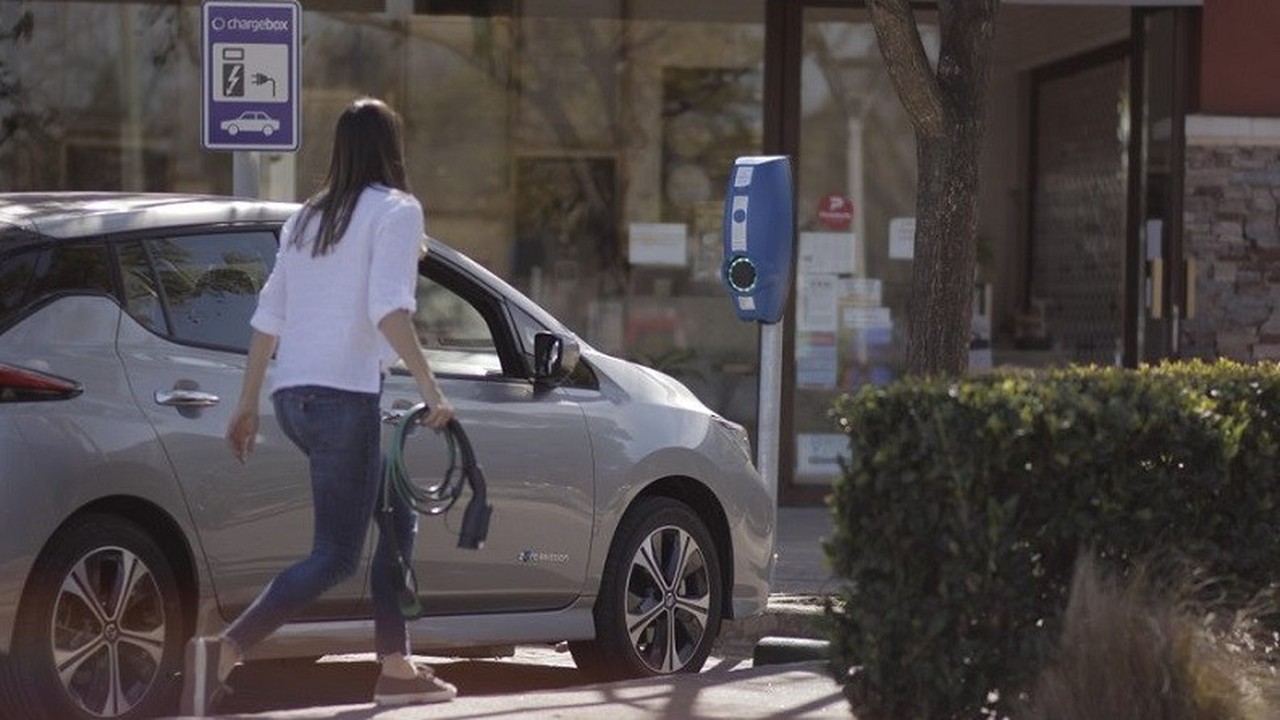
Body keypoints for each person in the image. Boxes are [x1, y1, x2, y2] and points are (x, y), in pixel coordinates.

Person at [181, 97, 457, 716]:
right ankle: (223, 651)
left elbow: (268, 317)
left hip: (293, 398)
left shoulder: (308, 218)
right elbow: (390, 308)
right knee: (335, 554)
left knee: (396, 517)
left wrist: (248, 402)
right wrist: (433, 389)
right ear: (394, 148)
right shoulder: (397, 210)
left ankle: (396, 666)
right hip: (343, 399)